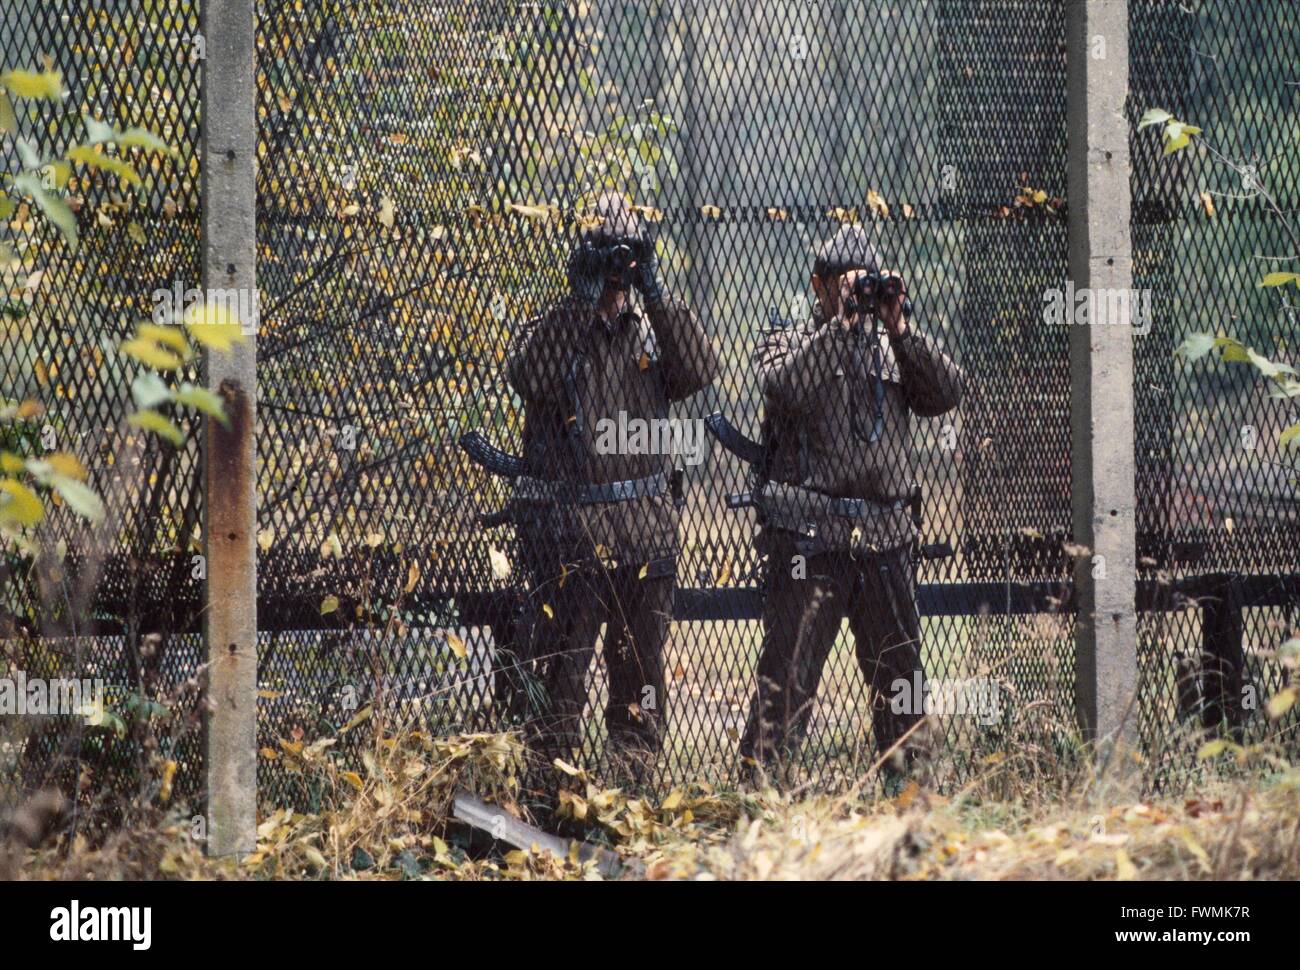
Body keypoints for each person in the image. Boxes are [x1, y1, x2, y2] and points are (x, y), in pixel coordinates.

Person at [503, 192, 718, 778]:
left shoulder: (652, 331)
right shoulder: (555, 329)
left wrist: (655, 290)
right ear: (580, 257)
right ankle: (550, 801)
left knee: (639, 682)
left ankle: (629, 799)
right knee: (560, 682)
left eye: (624, 255)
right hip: (571, 539)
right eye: (605, 254)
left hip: (644, 538)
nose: (615, 273)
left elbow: (700, 370)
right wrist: (579, 299)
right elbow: (533, 378)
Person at [739, 224, 963, 782]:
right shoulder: (790, 342)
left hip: (885, 540)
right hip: (812, 544)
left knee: (901, 682)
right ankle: (763, 797)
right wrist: (839, 330)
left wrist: (900, 327)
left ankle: (909, 800)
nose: (856, 296)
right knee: (789, 681)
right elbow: (785, 388)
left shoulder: (894, 347)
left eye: (865, 285)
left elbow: (948, 392)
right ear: (819, 286)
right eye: (844, 284)